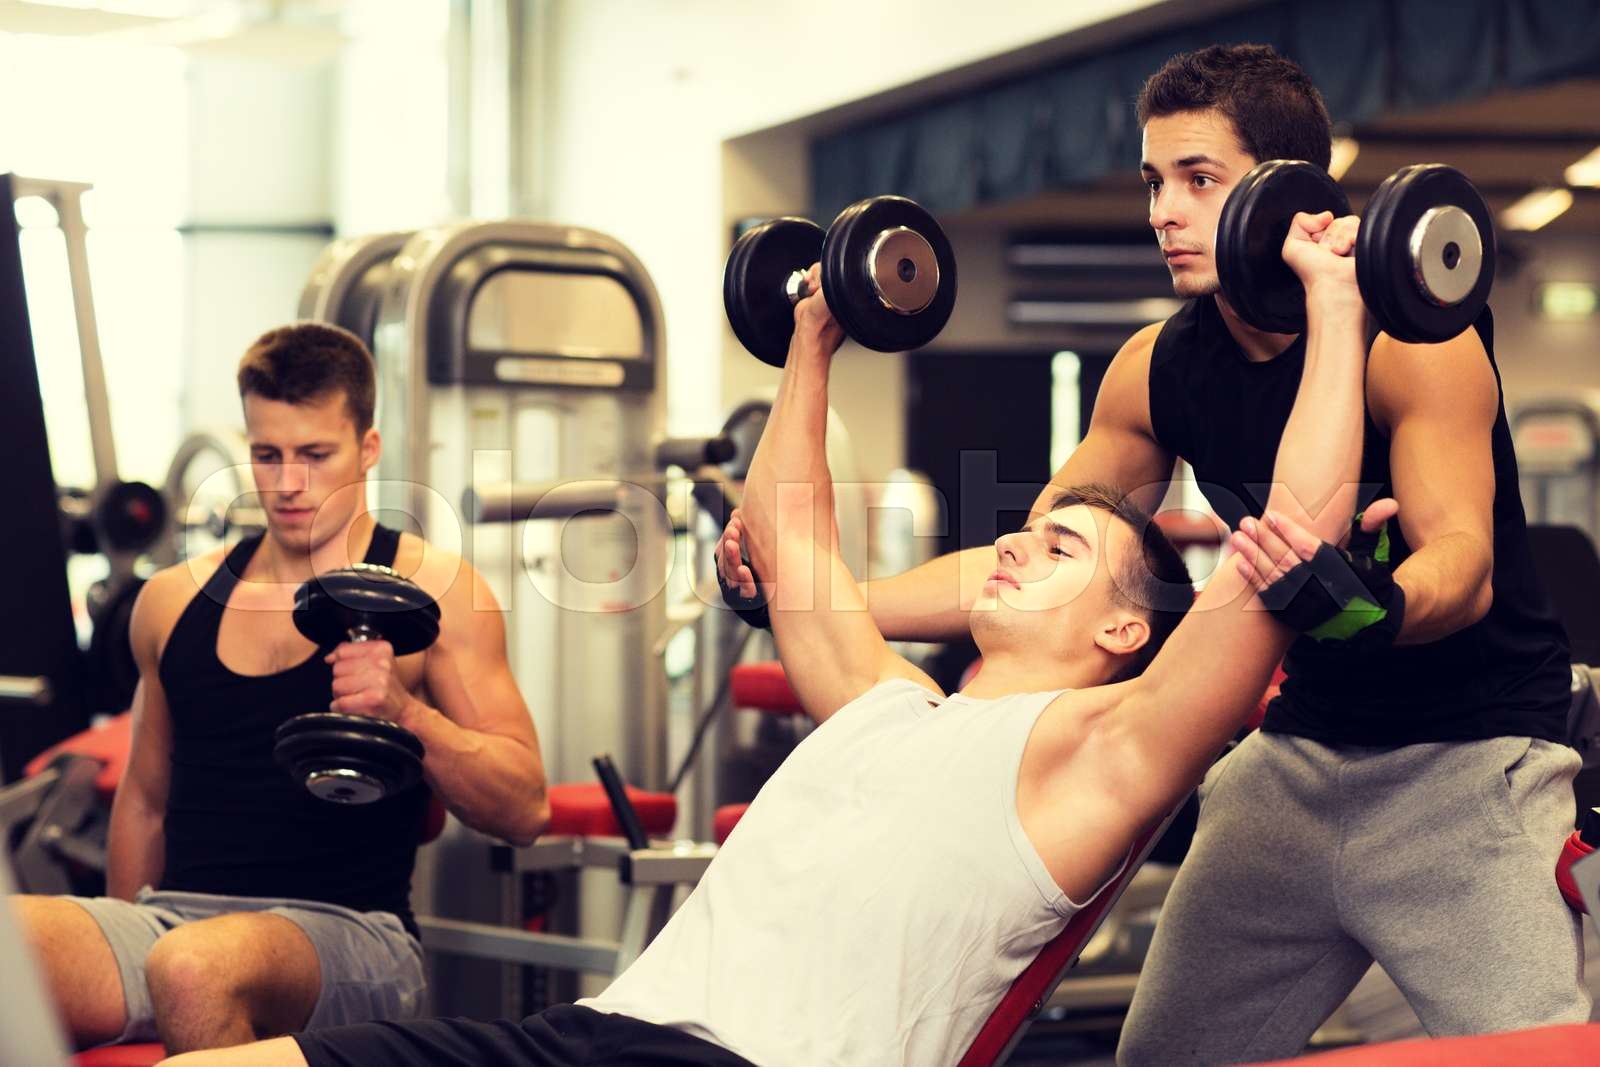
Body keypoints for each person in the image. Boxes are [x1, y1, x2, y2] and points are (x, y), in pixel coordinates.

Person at [159, 189, 1374, 1066]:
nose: (1012, 540)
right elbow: (794, 543)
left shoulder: (1105, 749)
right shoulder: (888, 701)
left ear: (1124, 630)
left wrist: (1329, 300)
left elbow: (1298, 527)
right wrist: (811, 337)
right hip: (594, 1034)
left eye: (1058, 547)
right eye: (1023, 530)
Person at [719, 43, 1589, 1064]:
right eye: (1152, 181)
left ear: (1283, 194)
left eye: (1198, 180)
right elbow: (1038, 562)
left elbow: (1463, 563)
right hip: (1296, 762)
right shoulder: (1153, 369)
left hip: (1470, 760)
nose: (1160, 212)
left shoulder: (1411, 341)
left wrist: (1370, 603)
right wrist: (813, 591)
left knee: (1543, 1056)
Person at [11, 322, 551, 1054]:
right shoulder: (171, 601)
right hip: (174, 923)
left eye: (315, 455)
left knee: (194, 965)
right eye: (268, 455)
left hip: (355, 935)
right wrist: (113, 951)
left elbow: (526, 806)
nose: (289, 482)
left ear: (368, 449)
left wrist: (404, 711)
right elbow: (143, 800)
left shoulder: (441, 590)